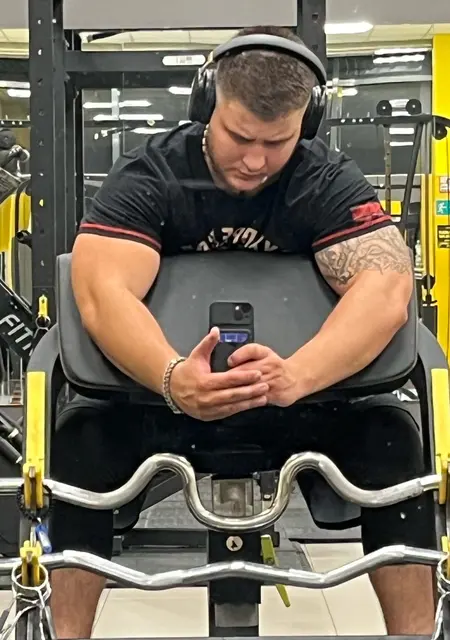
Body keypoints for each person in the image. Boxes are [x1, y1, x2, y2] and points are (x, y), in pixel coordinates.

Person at [50, 26, 435, 639]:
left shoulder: (321, 178)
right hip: (160, 406)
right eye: (239, 136)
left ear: (306, 124)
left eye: (277, 142)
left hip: (300, 405)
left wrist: (298, 375)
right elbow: (102, 290)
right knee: (80, 440)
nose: (255, 161)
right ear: (208, 106)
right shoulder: (154, 173)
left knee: (393, 439)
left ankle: (416, 634)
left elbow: (386, 286)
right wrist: (172, 378)